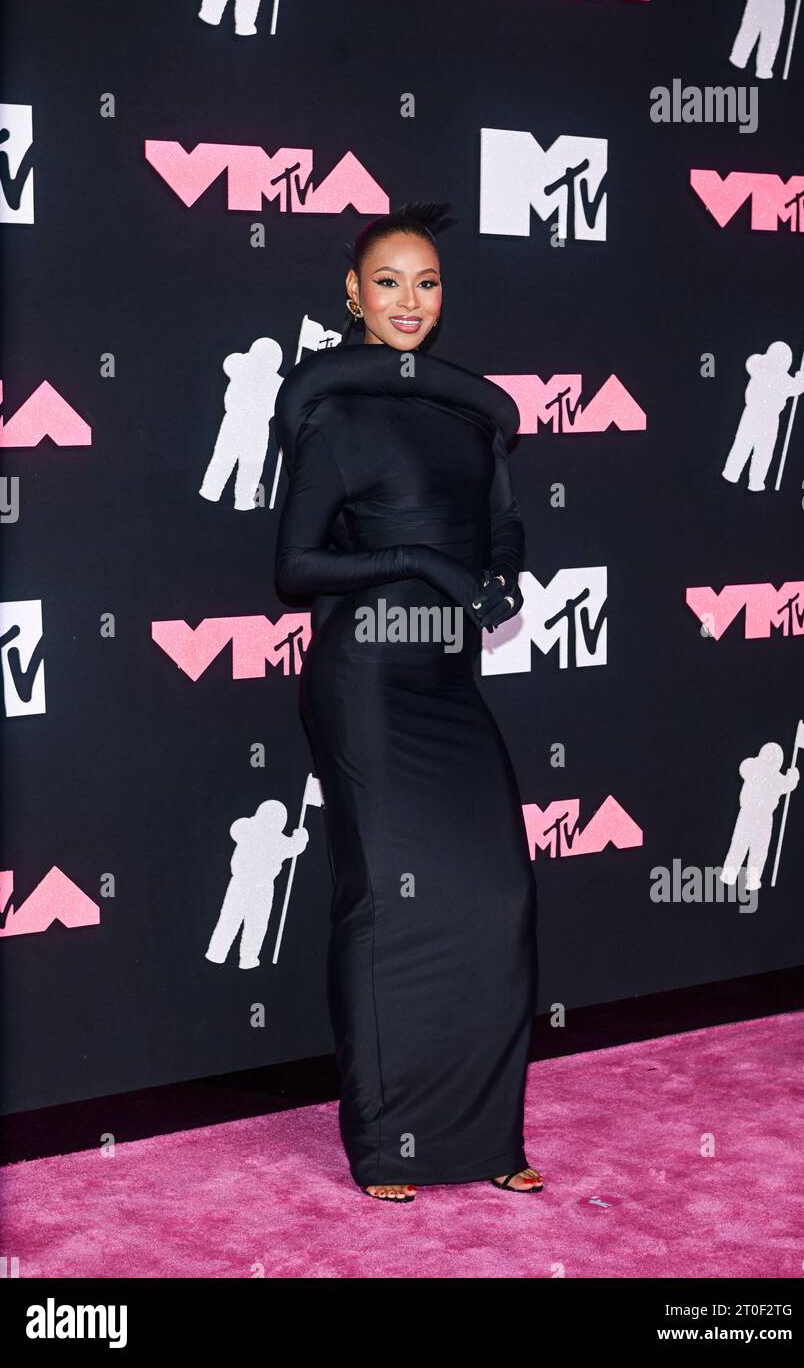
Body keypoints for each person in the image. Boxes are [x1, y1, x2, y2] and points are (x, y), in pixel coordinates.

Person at [273, 202, 541, 1203]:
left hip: (444, 680)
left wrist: (500, 578)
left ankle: (483, 1137)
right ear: (353, 292)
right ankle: (391, 1146)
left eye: (425, 282)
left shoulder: (469, 421)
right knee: (386, 906)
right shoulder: (334, 417)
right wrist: (425, 560)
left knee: (497, 896)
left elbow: (504, 539)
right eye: (387, 281)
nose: (407, 300)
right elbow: (294, 567)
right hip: (368, 684)